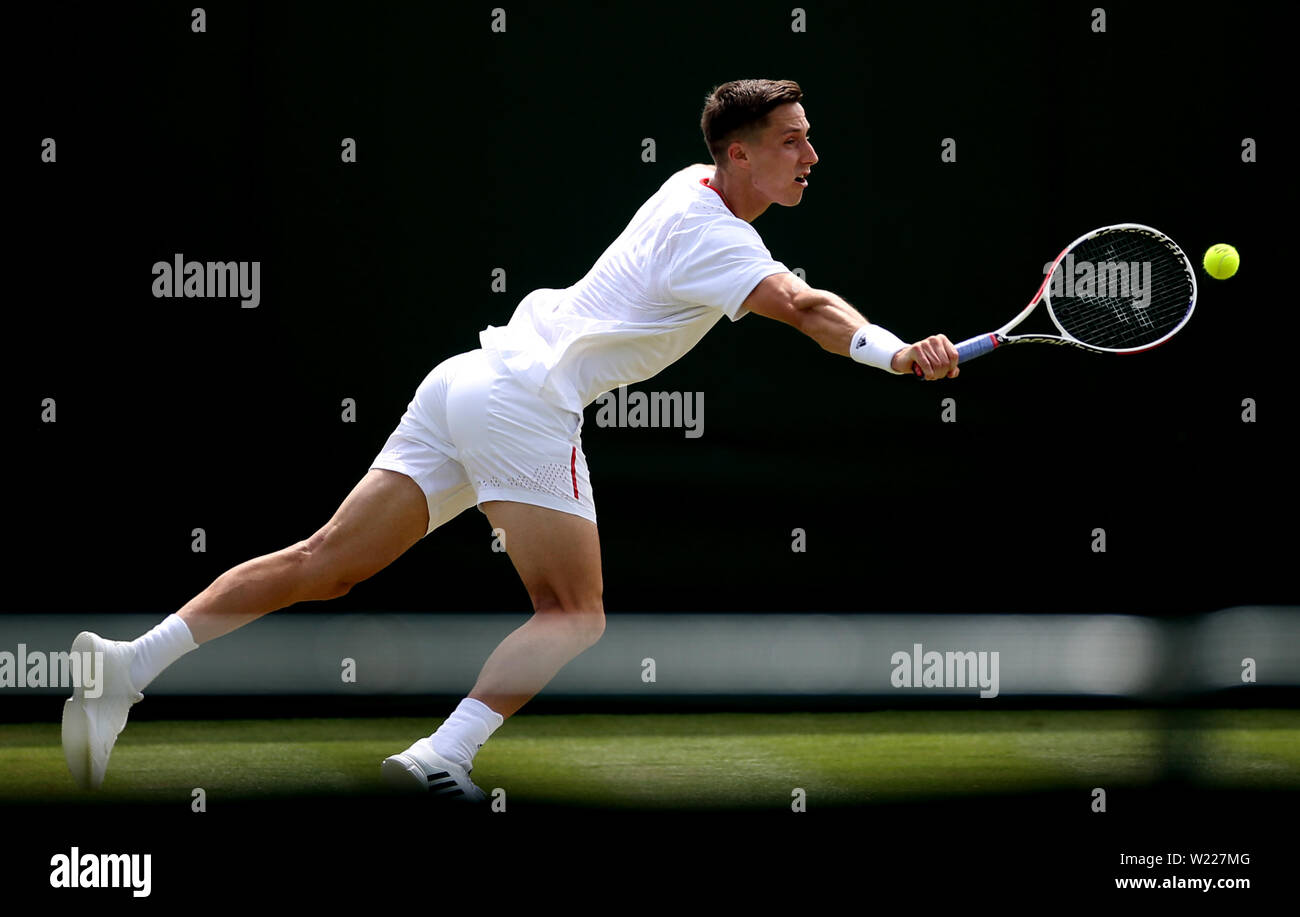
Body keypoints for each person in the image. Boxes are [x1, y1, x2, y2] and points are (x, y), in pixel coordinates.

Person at [61, 78, 960, 798]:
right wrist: (893, 354)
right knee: (576, 613)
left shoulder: (686, 187)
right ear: (737, 154)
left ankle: (129, 663)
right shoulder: (720, 240)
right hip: (525, 402)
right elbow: (803, 305)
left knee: (326, 560)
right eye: (791, 140)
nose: (812, 154)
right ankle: (440, 755)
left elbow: (790, 287)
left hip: (463, 381)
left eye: (808, 136)